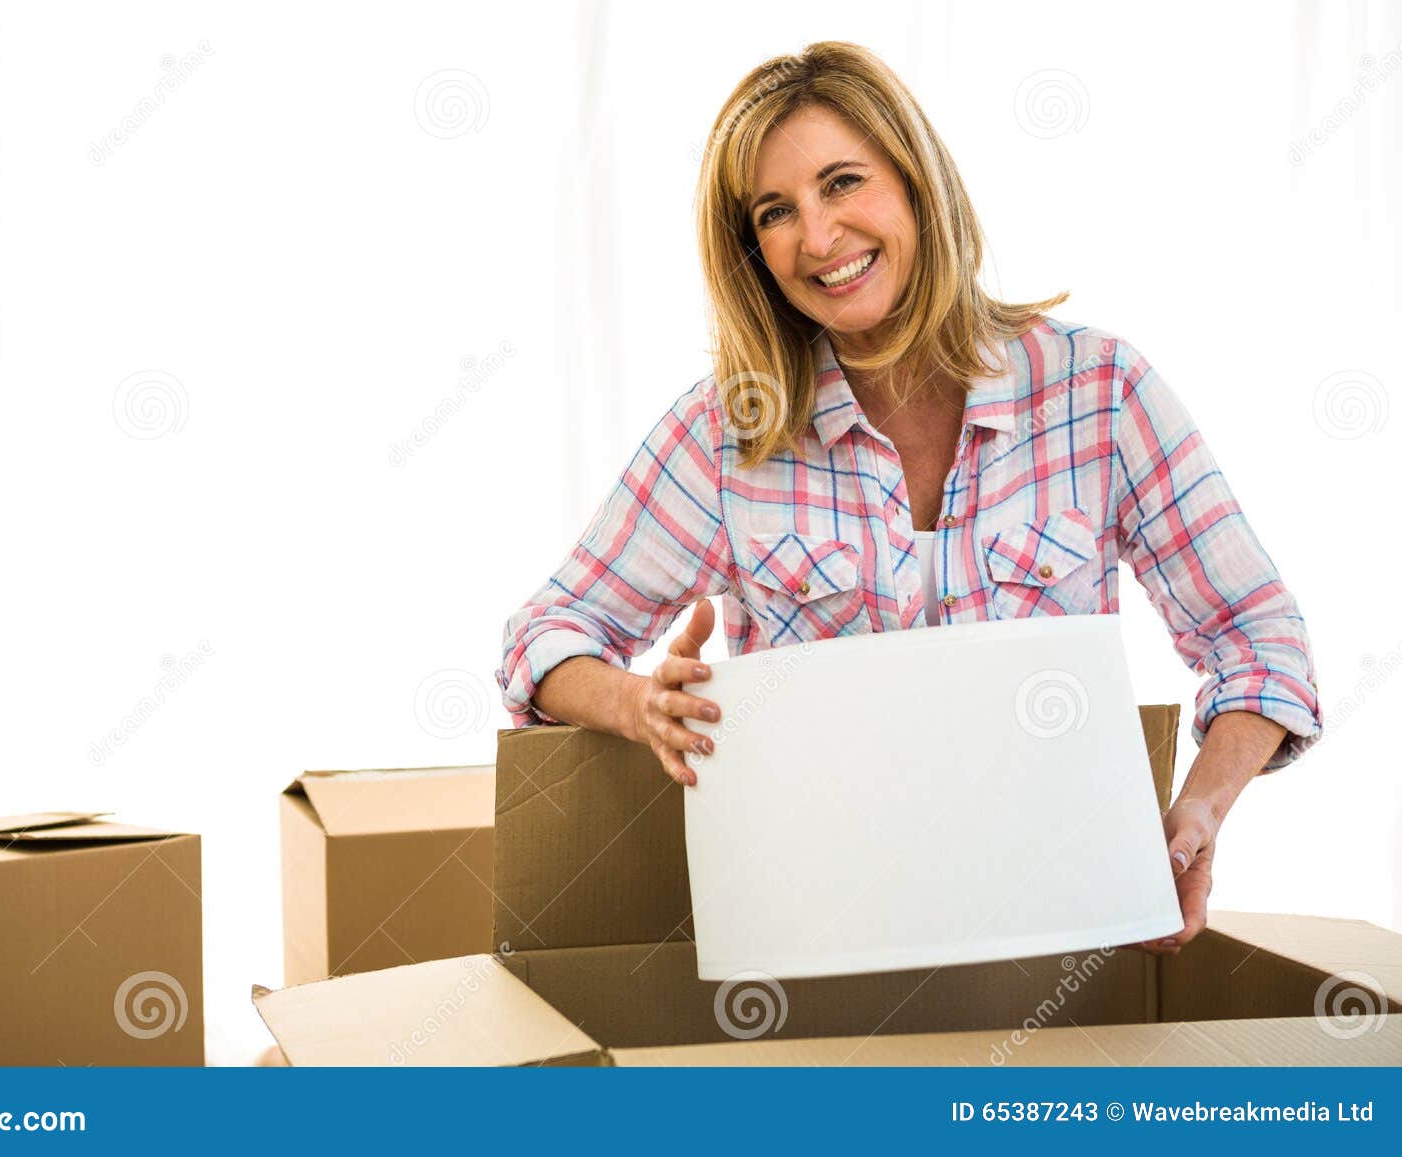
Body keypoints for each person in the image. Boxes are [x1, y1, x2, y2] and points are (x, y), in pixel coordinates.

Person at [495, 41, 1322, 956]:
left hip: (1055, 948)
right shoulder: (729, 434)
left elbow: (1262, 639)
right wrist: (641, 705)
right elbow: (544, 636)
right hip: (816, 953)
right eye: (776, 212)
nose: (818, 238)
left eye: (843, 182)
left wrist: (1196, 813)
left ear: (916, 181)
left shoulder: (1097, 391)